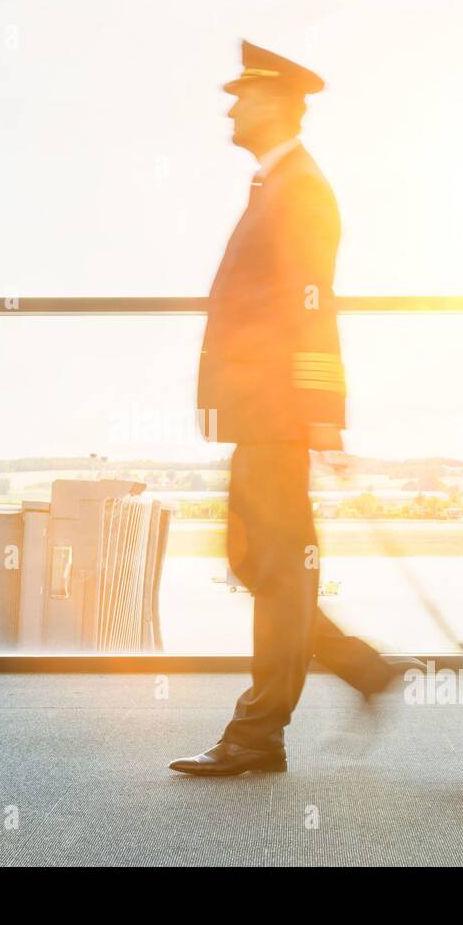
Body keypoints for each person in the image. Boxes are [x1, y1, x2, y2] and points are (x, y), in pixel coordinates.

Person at [169, 40, 396, 776]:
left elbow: (313, 311)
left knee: (280, 568)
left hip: (279, 415)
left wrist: (323, 414)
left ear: (280, 103)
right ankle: (361, 667)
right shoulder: (276, 185)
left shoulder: (301, 190)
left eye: (245, 94)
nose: (232, 106)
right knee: (254, 561)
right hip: (258, 415)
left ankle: (258, 733)